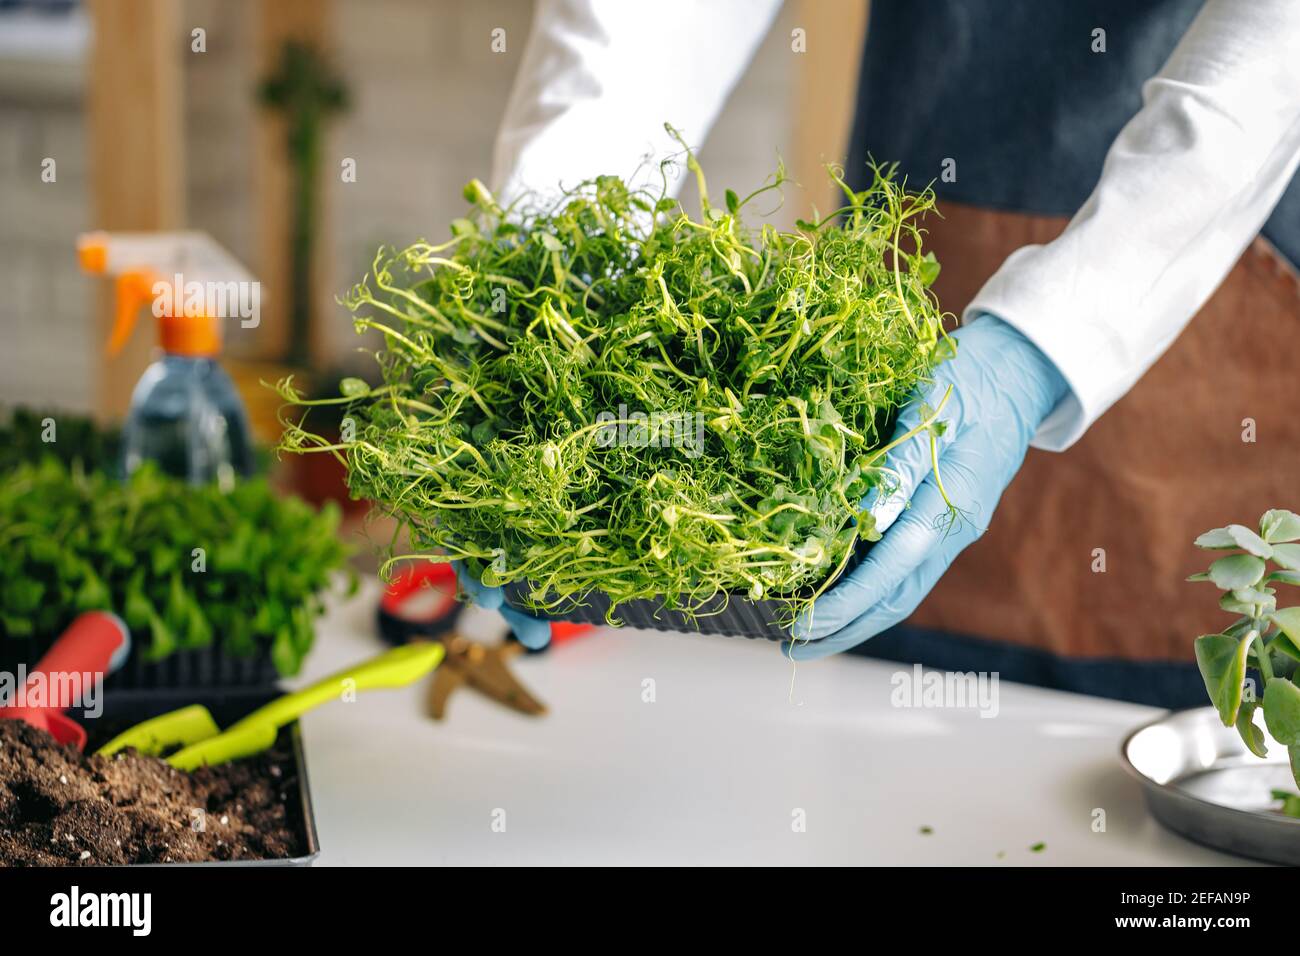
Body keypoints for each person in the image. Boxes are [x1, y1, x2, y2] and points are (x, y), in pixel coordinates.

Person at [464, 0, 1300, 707]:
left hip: (1201, 264)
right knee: (886, 751)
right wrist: (553, 245)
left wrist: (1034, 353)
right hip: (916, 276)